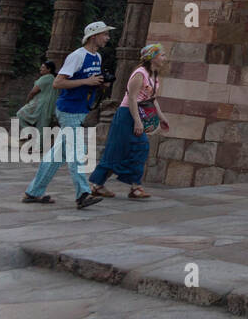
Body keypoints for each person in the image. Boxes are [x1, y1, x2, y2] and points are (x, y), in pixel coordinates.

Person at [22, 22, 114, 209]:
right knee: (76, 153)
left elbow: (87, 82)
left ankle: (34, 191)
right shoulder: (77, 56)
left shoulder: (96, 57)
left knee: (57, 155)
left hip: (79, 109)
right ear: (94, 36)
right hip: (69, 110)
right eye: (105, 34)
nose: (108, 38)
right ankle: (83, 194)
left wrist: (100, 84)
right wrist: (87, 80)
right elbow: (58, 83)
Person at [89, 42, 169, 199]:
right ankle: (129, 186)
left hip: (138, 113)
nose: (165, 58)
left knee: (135, 148)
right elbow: (132, 98)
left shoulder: (153, 75)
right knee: (122, 148)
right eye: (162, 55)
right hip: (128, 114)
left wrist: (161, 117)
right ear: (152, 57)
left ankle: (129, 186)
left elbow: (152, 98)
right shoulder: (140, 73)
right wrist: (137, 122)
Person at [15, 61, 57, 129]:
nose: (40, 68)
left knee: (20, 114)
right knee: (42, 127)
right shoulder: (54, 78)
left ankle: (29, 132)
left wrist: (27, 101)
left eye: (43, 67)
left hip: (40, 104)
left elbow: (33, 92)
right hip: (50, 105)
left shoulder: (46, 78)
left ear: (49, 69)